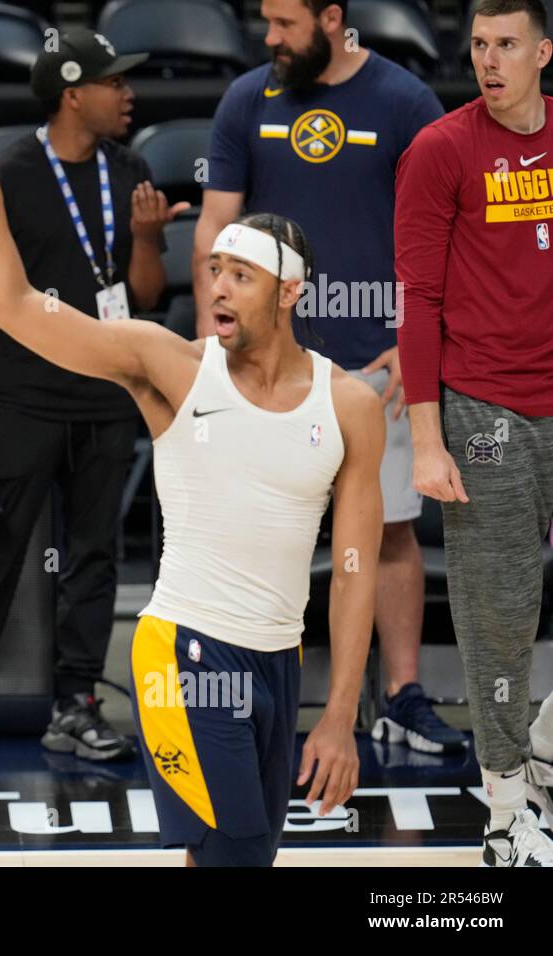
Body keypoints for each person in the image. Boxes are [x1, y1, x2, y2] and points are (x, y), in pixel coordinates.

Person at [0, 138, 382, 866]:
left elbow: (355, 570)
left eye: (242, 276)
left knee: (233, 855)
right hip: (183, 652)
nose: (218, 287)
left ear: (291, 292)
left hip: (278, 660)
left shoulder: (350, 405)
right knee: (241, 854)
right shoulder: (171, 366)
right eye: (214, 271)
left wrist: (342, 715)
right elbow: (12, 305)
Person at [194, 0, 460, 753]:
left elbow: (445, 232)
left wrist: (420, 344)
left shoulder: (405, 101)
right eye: (266, 25)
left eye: (285, 24)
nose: (269, 39)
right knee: (251, 530)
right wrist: (212, 342)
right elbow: (218, 225)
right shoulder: (248, 98)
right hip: (266, 365)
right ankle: (238, 693)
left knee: (392, 532)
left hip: (382, 362)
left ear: (332, 17)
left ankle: (402, 697)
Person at [0, 29, 183, 768]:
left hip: (106, 395)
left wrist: (149, 240)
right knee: (0, 549)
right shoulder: (7, 173)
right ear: (73, 94)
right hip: (23, 398)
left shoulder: (129, 167)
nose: (128, 96)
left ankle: (76, 703)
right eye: (113, 84)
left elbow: (144, 296)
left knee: (94, 556)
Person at [395, 0, 553, 867]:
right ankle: (504, 808)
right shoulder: (441, 150)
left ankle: (547, 749)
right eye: (478, 45)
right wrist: (426, 438)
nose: (488, 61)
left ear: (543, 52)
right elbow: (417, 298)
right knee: (499, 617)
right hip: (484, 410)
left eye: (505, 46)